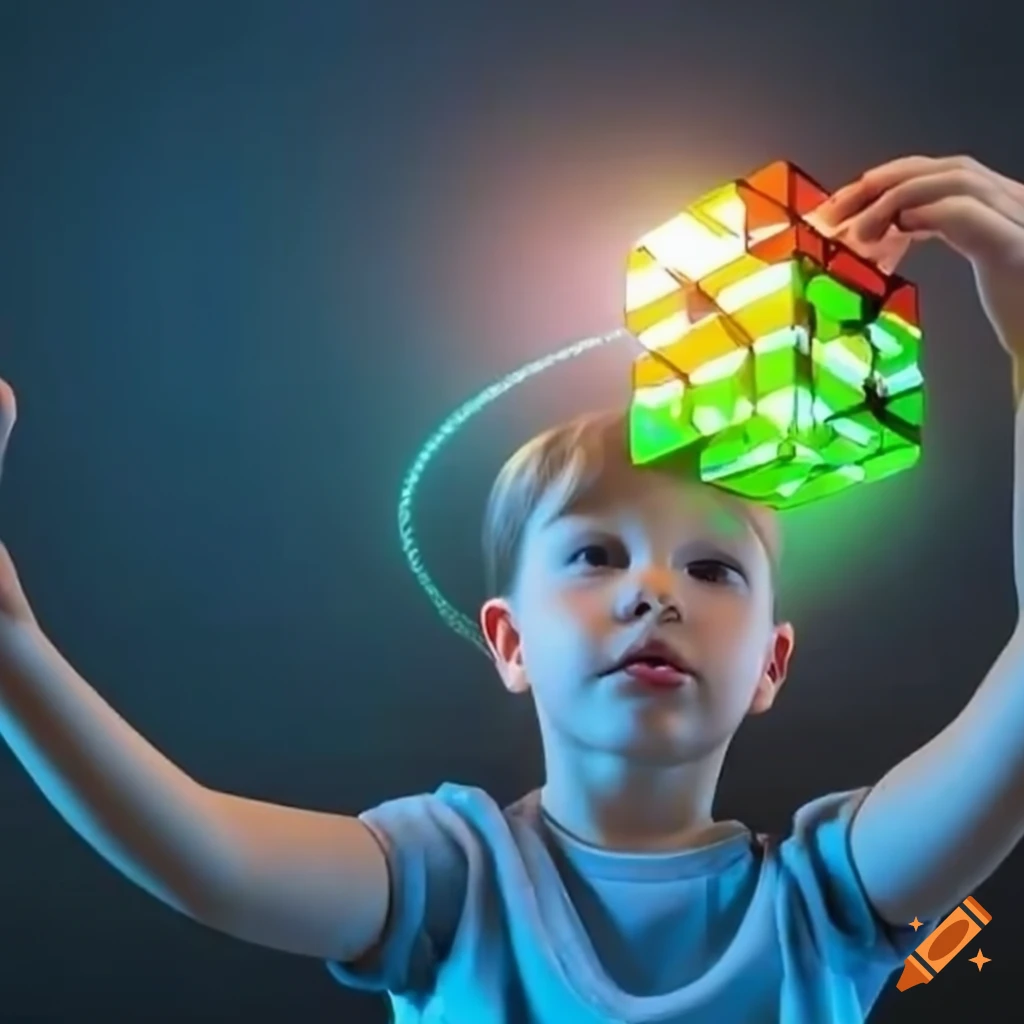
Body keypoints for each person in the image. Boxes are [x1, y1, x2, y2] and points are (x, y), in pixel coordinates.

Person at [1, 155, 1023, 1023]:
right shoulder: (453, 874)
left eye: (710, 568)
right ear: (509, 639)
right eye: (593, 556)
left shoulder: (828, 895)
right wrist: (13, 652)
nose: (652, 593)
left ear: (772, 659)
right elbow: (206, 858)